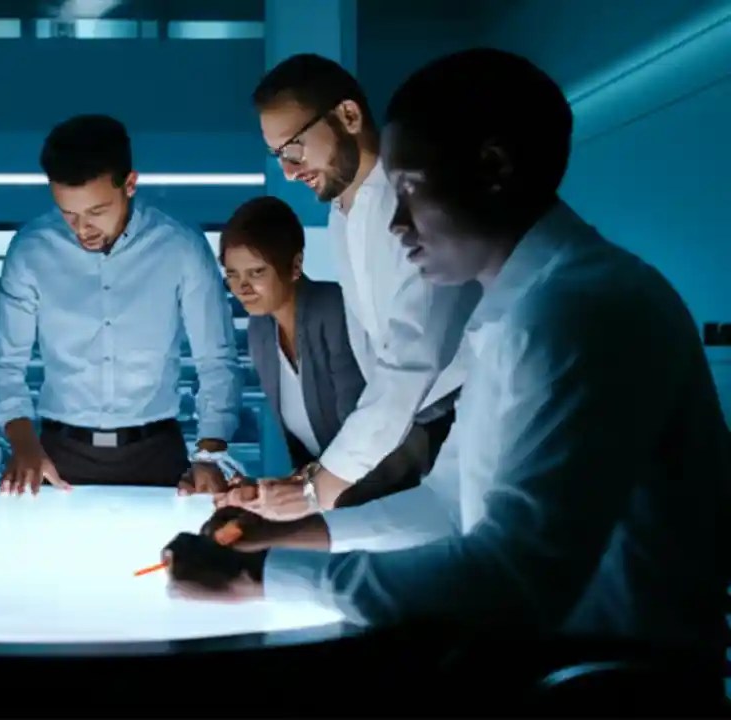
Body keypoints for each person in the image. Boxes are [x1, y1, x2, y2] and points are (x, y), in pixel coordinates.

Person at [163, 48, 730, 665]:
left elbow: (514, 577)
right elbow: (447, 503)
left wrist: (262, 579)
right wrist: (287, 539)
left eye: (408, 189)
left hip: (613, 680)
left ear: (492, 167)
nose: (399, 221)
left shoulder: (581, 310)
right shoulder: (512, 310)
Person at [233, 53, 480, 513]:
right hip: (410, 427)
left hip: (461, 417)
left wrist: (319, 487)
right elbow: (376, 359)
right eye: (278, 156)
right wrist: (316, 476)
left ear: (348, 115)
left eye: (294, 148)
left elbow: (411, 362)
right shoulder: (340, 215)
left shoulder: (414, 200)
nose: (287, 170)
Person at [0, 114, 243, 494]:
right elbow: (6, 366)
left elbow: (216, 360)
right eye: (68, 213)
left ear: (131, 184)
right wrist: (24, 444)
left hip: (158, 452)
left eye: (96, 211)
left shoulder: (181, 247)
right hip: (55, 453)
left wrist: (210, 452)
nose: (81, 228)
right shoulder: (30, 249)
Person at [217, 196, 427, 518]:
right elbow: (300, 450)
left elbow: (357, 426)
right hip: (326, 497)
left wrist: (298, 488)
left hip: (380, 488)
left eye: (256, 272)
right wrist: (276, 489)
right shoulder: (260, 330)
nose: (242, 288)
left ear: (295, 265)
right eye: (233, 275)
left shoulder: (333, 309)